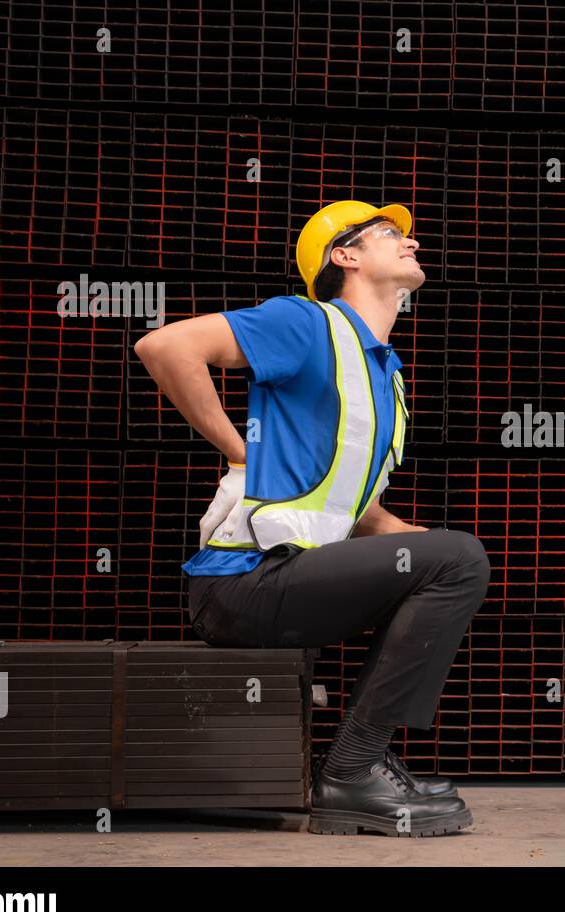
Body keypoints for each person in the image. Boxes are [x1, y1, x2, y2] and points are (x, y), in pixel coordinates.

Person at [134, 200, 490, 837]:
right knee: (457, 560)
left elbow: (355, 511)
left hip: (293, 577)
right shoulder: (307, 323)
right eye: (390, 234)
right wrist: (243, 452)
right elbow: (165, 347)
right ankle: (350, 771)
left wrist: (433, 548)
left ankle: (366, 759)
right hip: (241, 584)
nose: (410, 242)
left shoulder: (384, 373)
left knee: (451, 558)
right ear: (344, 257)